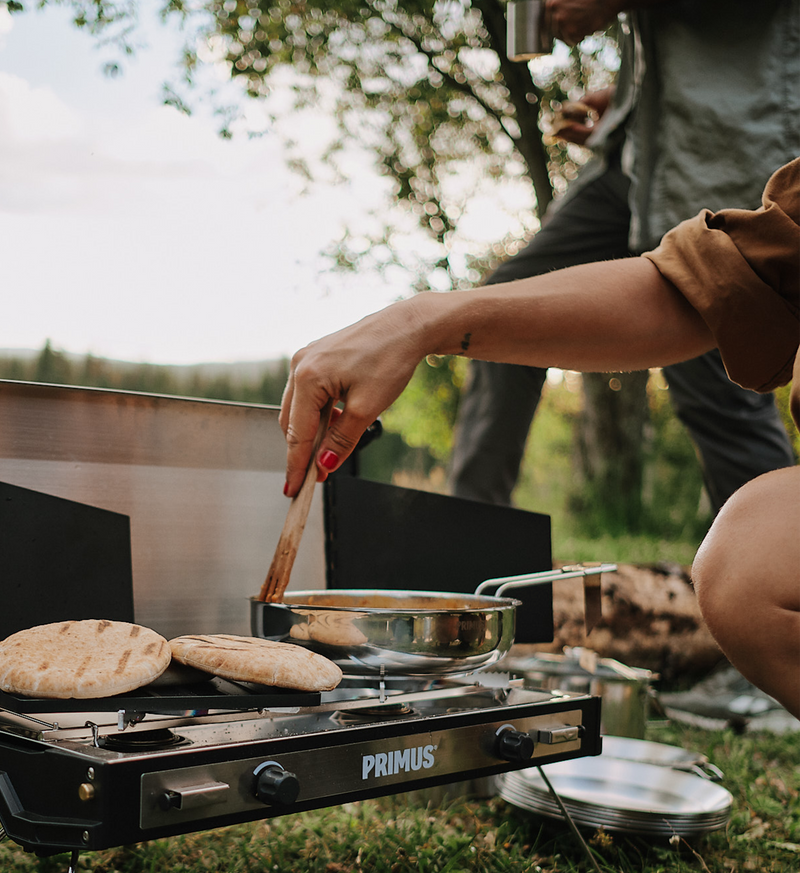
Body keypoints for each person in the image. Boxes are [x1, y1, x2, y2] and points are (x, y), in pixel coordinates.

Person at [279, 157, 800, 717]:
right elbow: (694, 292)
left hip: (707, 137)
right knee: (748, 565)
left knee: (743, 554)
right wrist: (418, 322)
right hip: (650, 132)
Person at [448, 0, 800, 513]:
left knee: (718, 390)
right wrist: (633, 106)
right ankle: (468, 550)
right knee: (497, 312)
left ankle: (780, 566)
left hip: (723, 160)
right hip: (637, 162)